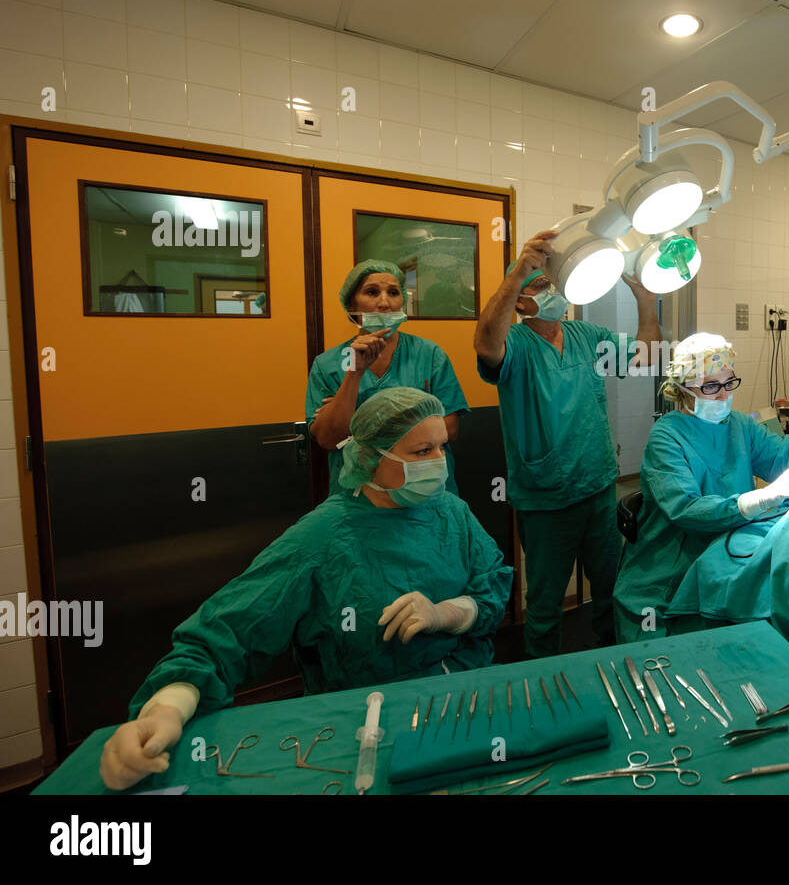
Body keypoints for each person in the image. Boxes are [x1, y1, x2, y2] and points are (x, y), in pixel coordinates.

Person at [99, 388, 511, 791]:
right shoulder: (322, 538)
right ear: (370, 457)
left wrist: (450, 612)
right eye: (422, 452)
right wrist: (168, 708)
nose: (439, 463)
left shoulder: (450, 512)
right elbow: (226, 631)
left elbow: (493, 583)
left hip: (462, 702)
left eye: (442, 448)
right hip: (361, 725)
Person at [474, 229, 662, 656]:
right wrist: (520, 268)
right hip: (545, 501)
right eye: (537, 285)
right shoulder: (515, 345)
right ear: (519, 302)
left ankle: (616, 664)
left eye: (550, 282)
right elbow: (485, 341)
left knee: (611, 590)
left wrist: (646, 299)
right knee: (544, 605)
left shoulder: (586, 336)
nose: (550, 289)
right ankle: (542, 682)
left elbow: (646, 356)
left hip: (597, 489)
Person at [613, 332, 789, 643]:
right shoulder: (666, 436)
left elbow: (786, 457)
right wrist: (763, 497)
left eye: (729, 383)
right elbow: (686, 510)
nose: (724, 396)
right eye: (710, 387)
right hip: (672, 565)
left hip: (730, 547)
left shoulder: (741, 426)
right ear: (682, 388)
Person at [307, 259, 469, 495]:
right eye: (372, 292)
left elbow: (449, 430)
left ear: (403, 300)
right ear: (352, 303)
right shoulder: (328, 365)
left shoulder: (429, 355)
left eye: (393, 292)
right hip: (359, 493)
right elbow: (330, 439)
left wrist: (358, 419)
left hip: (423, 488)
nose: (384, 303)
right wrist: (354, 374)